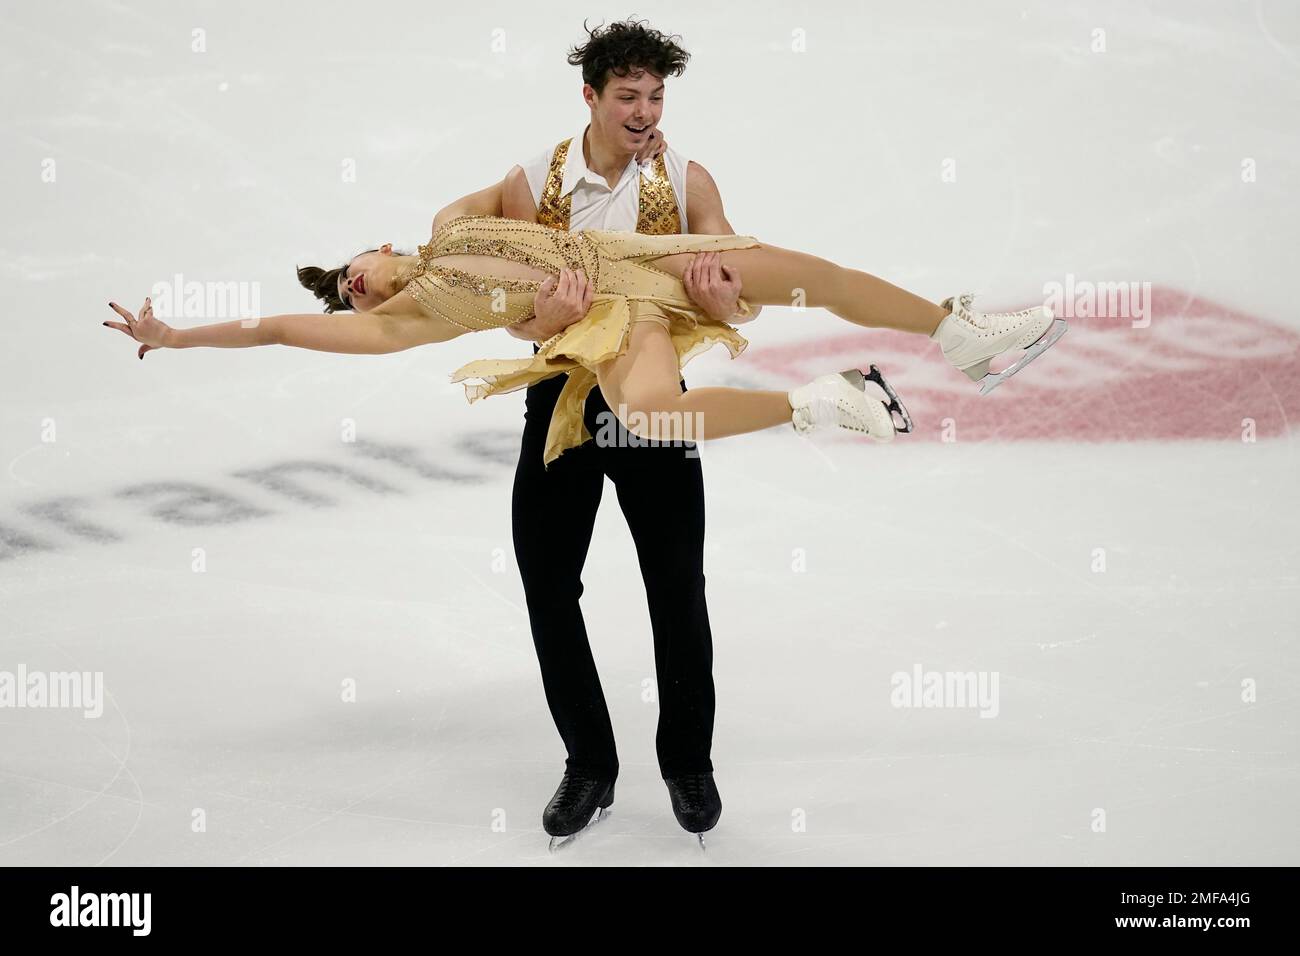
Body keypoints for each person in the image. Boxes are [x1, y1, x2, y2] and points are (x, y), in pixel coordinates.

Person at [103, 27, 1065, 850]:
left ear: (381, 245)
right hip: (576, 376)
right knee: (549, 576)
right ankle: (591, 765)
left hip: (651, 281)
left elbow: (725, 276)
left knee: (788, 331)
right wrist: (177, 336)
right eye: (628, 97)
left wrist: (719, 296)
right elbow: (290, 328)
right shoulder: (431, 294)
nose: (643, 112)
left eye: (652, 97)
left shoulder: (519, 206)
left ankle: (960, 336)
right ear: (593, 98)